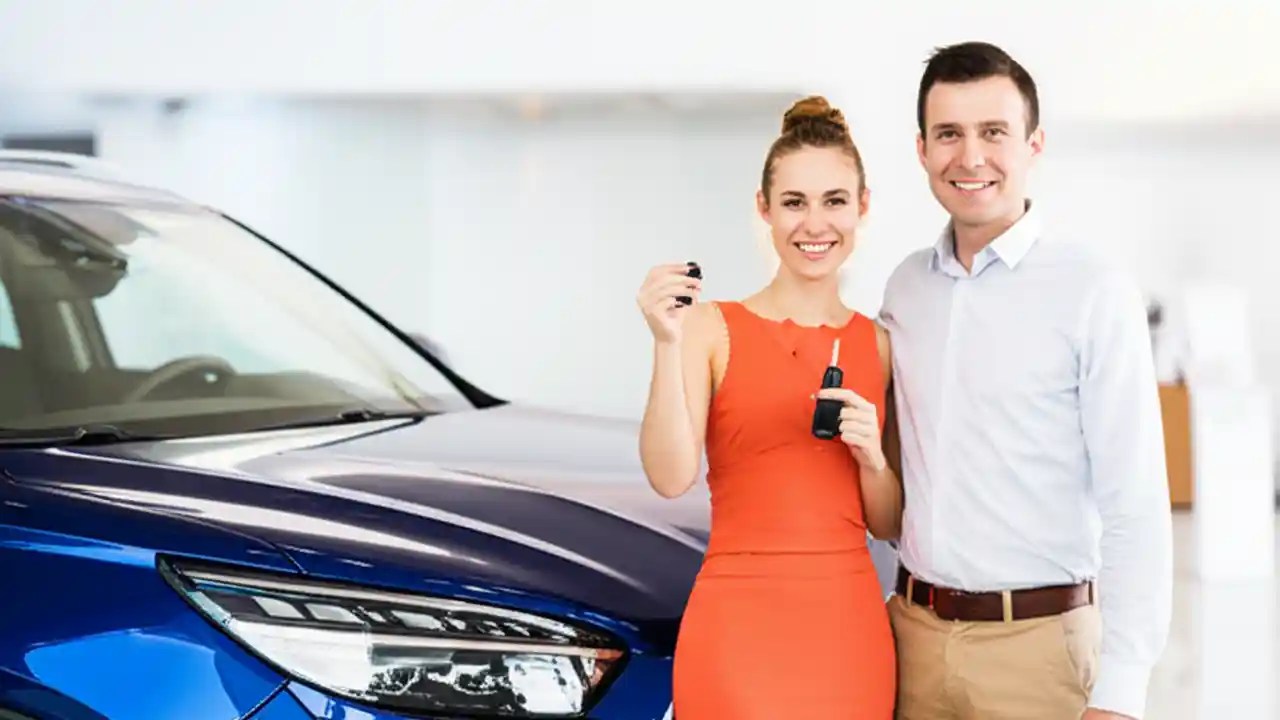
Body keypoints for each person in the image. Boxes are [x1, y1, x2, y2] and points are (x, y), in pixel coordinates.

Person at [878, 41, 1173, 720]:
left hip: (1040, 651)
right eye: (948, 133)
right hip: (913, 641)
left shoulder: (1092, 288)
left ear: (1034, 144)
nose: (970, 156)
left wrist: (1123, 687)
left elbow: (1136, 501)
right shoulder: (906, 289)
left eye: (993, 132)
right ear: (921, 149)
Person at [636, 96, 901, 719]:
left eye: (835, 200)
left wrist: (870, 459)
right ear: (765, 209)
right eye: (794, 203)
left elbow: (886, 522)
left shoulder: (879, 343)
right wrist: (664, 345)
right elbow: (670, 477)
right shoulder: (707, 327)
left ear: (862, 207)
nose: (816, 224)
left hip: (848, 627)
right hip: (737, 625)